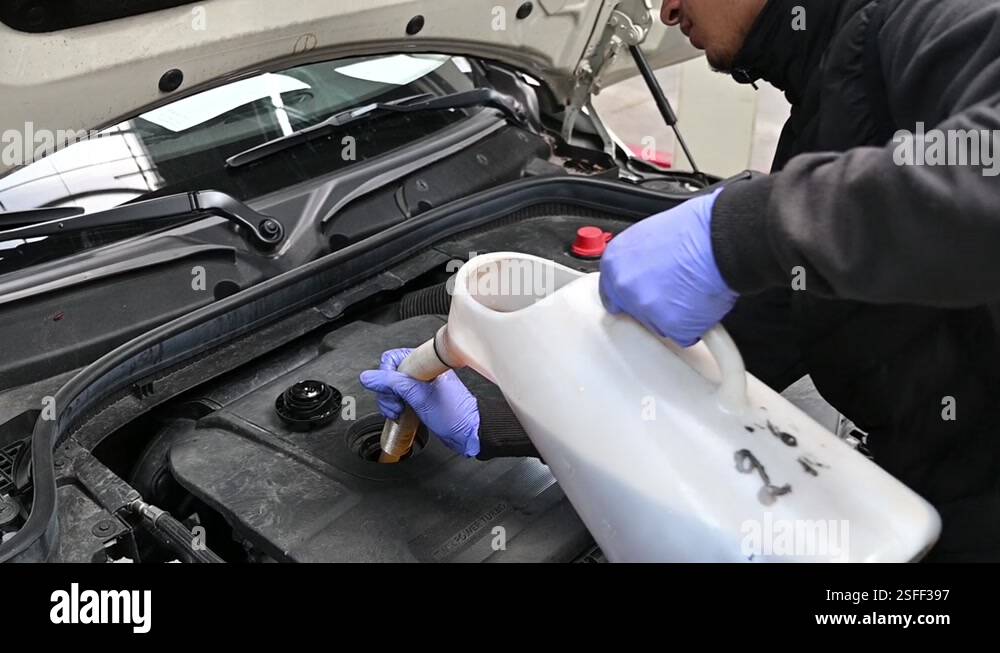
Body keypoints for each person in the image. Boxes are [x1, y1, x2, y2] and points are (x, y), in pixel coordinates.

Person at [361, 0, 1000, 561]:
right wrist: (506, 415)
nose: (666, 12)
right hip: (928, 498)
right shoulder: (835, 90)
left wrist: (739, 232)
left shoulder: (924, 11)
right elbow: (750, 338)